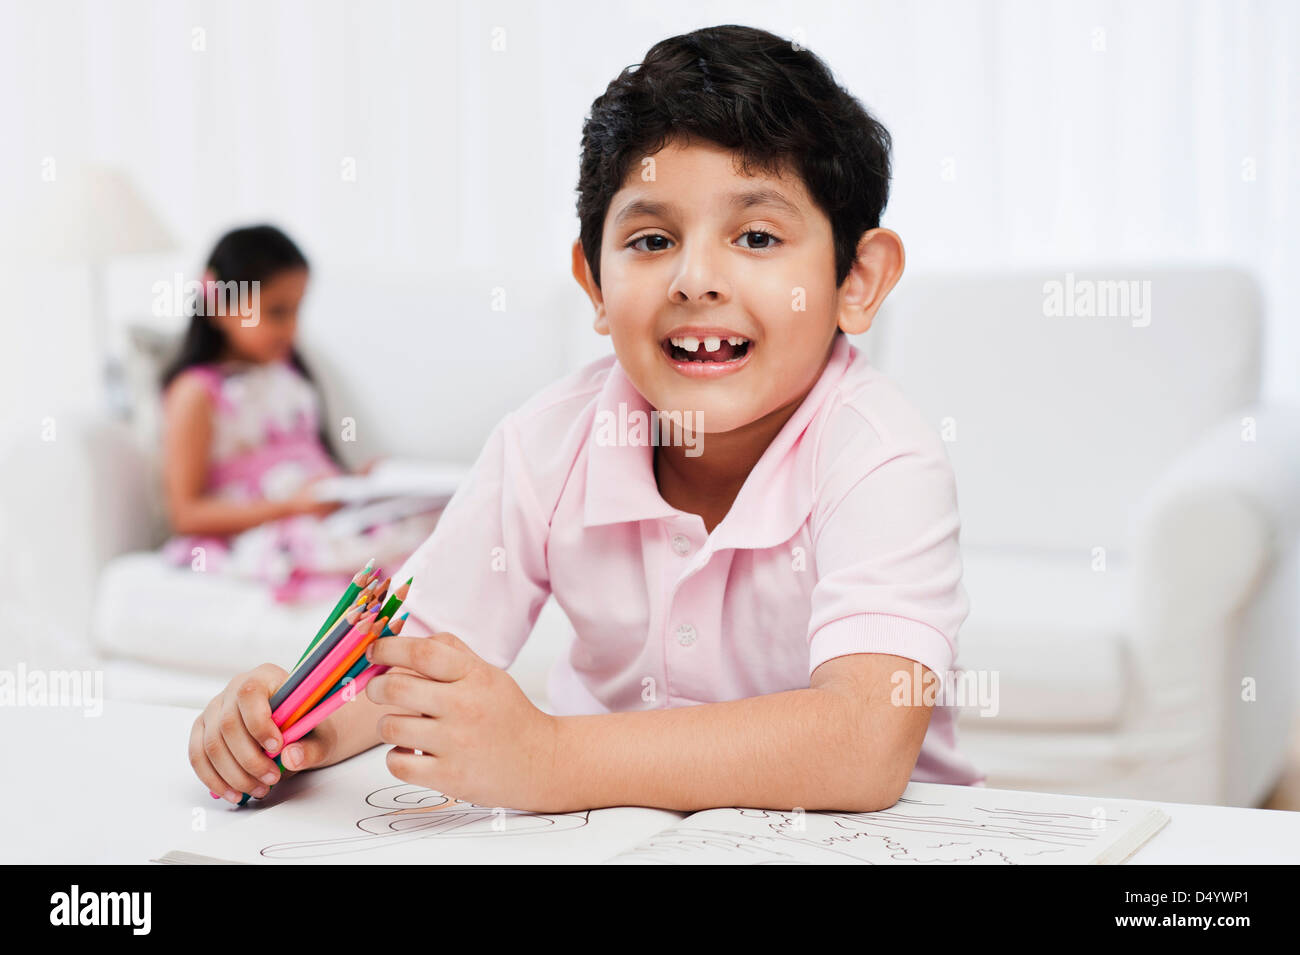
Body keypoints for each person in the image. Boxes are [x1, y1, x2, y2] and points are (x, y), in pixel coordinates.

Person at [190, 26, 986, 810]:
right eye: (650, 238)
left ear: (858, 278)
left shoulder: (881, 454)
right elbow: (405, 664)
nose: (695, 277)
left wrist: (547, 755)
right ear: (595, 284)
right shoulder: (548, 441)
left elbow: (862, 742)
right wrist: (292, 731)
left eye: (755, 234)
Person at [160, 224, 439, 602]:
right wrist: (291, 507)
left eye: (296, 311)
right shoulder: (195, 393)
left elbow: (305, 464)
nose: (291, 328)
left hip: (319, 514)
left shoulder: (288, 378)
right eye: (277, 312)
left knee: (436, 517)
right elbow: (186, 515)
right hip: (266, 528)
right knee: (375, 550)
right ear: (222, 304)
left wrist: (355, 486)